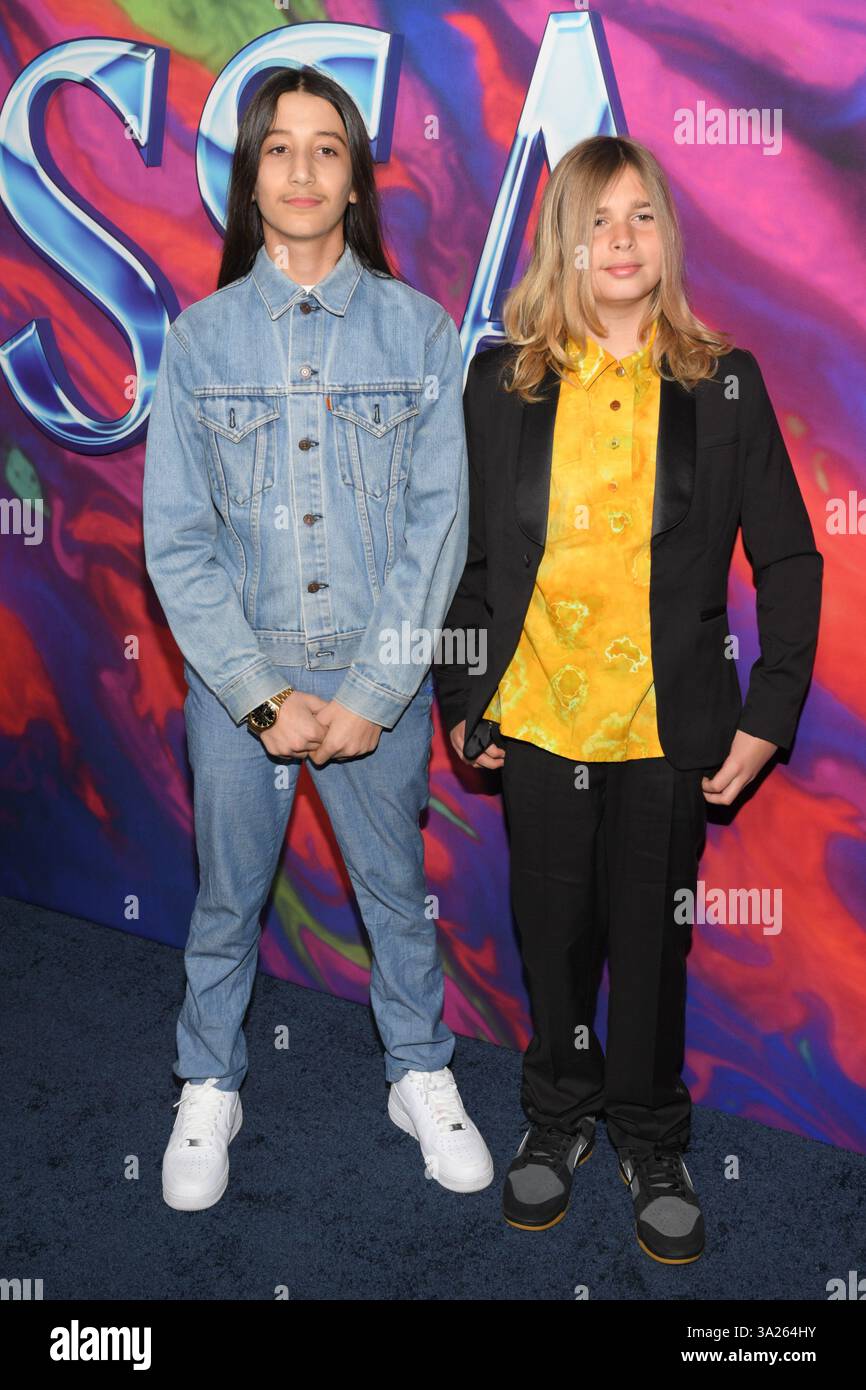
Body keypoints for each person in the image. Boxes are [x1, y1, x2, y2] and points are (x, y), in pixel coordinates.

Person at [433, 134, 823, 1263]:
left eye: (640, 214)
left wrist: (766, 714)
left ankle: (652, 1136)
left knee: (654, 951)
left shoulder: (723, 381)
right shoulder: (497, 383)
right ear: (560, 238)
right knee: (552, 941)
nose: (619, 238)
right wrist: (466, 694)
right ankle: (555, 1117)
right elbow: (459, 567)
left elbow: (789, 561)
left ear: (666, 236)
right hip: (540, 728)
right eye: (595, 218)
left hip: (669, 737)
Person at [142, 65, 493, 1211]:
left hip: (368, 672)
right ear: (250, 183)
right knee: (225, 896)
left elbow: (440, 527)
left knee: (395, 892)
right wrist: (257, 695)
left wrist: (375, 690)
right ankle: (209, 1080)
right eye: (278, 148)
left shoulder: (420, 328)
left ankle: (419, 1071)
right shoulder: (196, 343)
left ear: (353, 181)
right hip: (236, 675)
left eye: (325, 147)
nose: (300, 168)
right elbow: (178, 544)